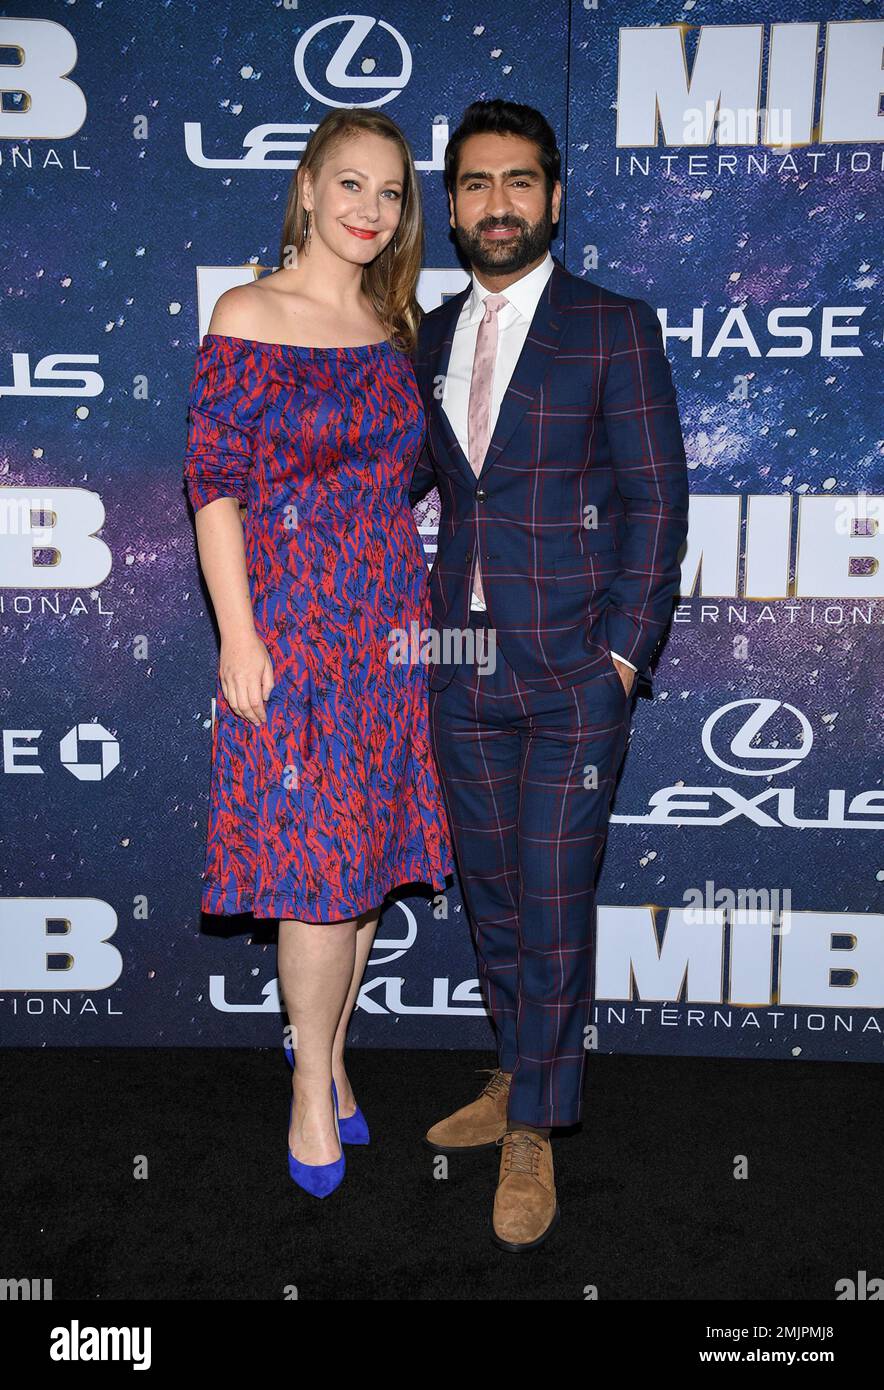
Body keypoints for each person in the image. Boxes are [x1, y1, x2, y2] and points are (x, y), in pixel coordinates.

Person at [410, 99, 689, 1251]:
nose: (497, 205)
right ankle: (516, 1071)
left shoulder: (609, 326)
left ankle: (536, 1124)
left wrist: (621, 657)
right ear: (454, 203)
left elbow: (654, 503)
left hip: (574, 664)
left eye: (518, 182)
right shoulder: (426, 333)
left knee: (552, 891)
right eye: (475, 185)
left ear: (554, 196)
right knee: (490, 892)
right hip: (459, 660)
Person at [182, 108, 453, 1199]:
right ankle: (308, 1091)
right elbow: (214, 482)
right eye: (350, 185)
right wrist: (239, 635)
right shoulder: (248, 311)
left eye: (389, 195)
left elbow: (414, 480)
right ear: (306, 188)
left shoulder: (396, 330)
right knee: (311, 877)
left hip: (387, 625)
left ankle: (331, 1059)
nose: (368, 211)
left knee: (358, 874)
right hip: (287, 626)